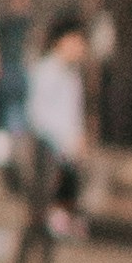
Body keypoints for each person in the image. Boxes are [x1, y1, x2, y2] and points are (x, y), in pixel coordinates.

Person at [22, 21, 92, 242]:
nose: (80, 48)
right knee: (42, 204)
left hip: (66, 149)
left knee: (56, 206)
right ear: (61, 41)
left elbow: (73, 113)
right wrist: (63, 139)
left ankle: (41, 258)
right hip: (47, 147)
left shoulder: (72, 76)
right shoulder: (46, 71)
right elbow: (37, 114)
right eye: (76, 42)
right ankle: (30, 257)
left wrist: (78, 137)